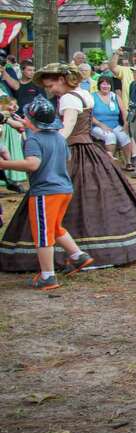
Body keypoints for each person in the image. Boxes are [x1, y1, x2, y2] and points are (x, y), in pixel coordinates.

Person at [0, 63, 136, 271]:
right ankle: (83, 252)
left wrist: (48, 143)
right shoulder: (85, 93)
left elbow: (66, 129)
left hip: (73, 151)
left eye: (51, 85)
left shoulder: (68, 98)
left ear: (62, 80)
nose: (50, 90)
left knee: (63, 201)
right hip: (90, 148)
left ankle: (72, 255)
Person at [0, 96, 89, 289]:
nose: (23, 119)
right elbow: (66, 157)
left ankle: (48, 276)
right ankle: (78, 256)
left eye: (25, 117)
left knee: (43, 234)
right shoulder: (58, 137)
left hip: (45, 192)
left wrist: (4, 164)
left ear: (31, 121)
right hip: (64, 189)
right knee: (56, 227)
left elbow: (33, 164)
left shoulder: (33, 139)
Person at [90, 73, 136, 169]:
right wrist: (100, 124)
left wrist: (126, 124)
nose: (105, 86)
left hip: (115, 125)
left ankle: (128, 162)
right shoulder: (92, 97)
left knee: (124, 137)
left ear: (111, 86)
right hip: (98, 125)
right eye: (103, 84)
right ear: (99, 85)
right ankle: (111, 162)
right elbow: (89, 115)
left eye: (108, 84)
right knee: (110, 136)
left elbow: (124, 112)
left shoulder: (115, 97)